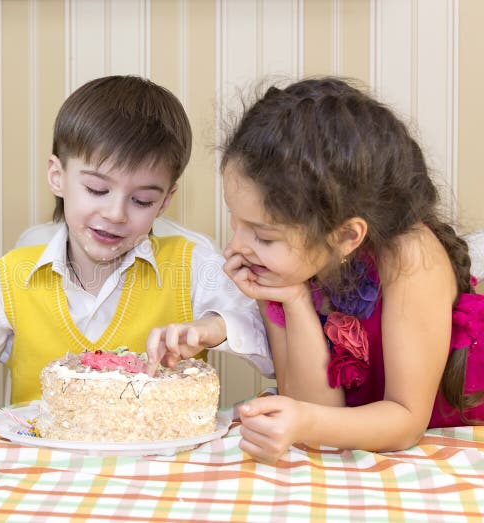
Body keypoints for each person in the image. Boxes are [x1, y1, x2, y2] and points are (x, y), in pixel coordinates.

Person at [0, 74, 271, 436]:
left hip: (159, 472)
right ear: (58, 176)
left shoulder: (192, 265)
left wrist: (215, 327)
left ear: (164, 203)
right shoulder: (11, 277)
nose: (115, 213)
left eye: (141, 200)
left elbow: (268, 343)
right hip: (40, 472)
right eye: (98, 190)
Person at [176, 76, 483, 464]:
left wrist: (303, 419)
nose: (235, 248)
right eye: (235, 222)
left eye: (264, 236)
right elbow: (313, 407)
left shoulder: (409, 257)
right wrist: (292, 299)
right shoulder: (289, 268)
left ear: (345, 236)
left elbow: (406, 421)